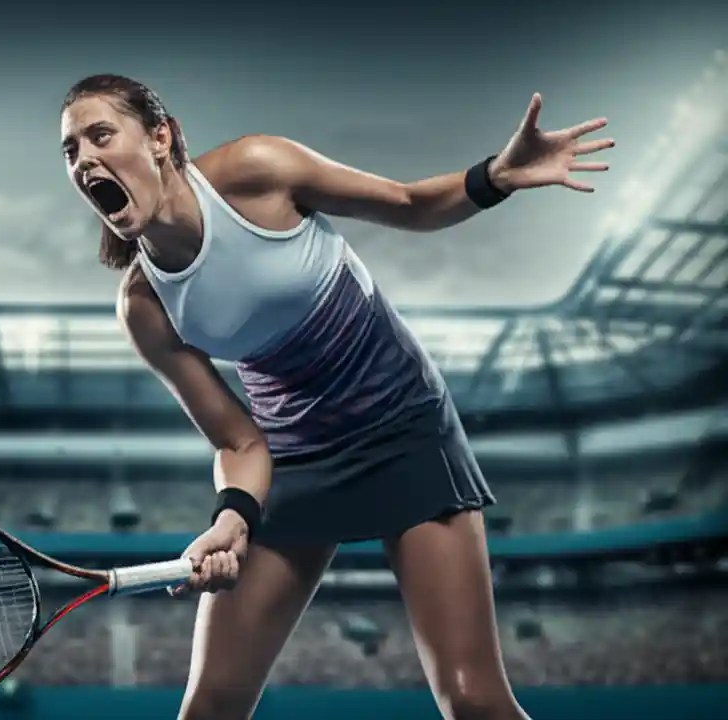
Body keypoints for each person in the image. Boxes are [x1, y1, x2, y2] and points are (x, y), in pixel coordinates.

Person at [58, 74, 613, 720]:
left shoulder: (255, 170)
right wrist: (231, 521)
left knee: (472, 701)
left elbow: (407, 203)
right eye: (71, 151)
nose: (85, 158)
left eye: (100, 135)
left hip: (402, 429)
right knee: (208, 709)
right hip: (293, 461)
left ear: (161, 137)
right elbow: (238, 441)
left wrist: (496, 175)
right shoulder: (144, 307)